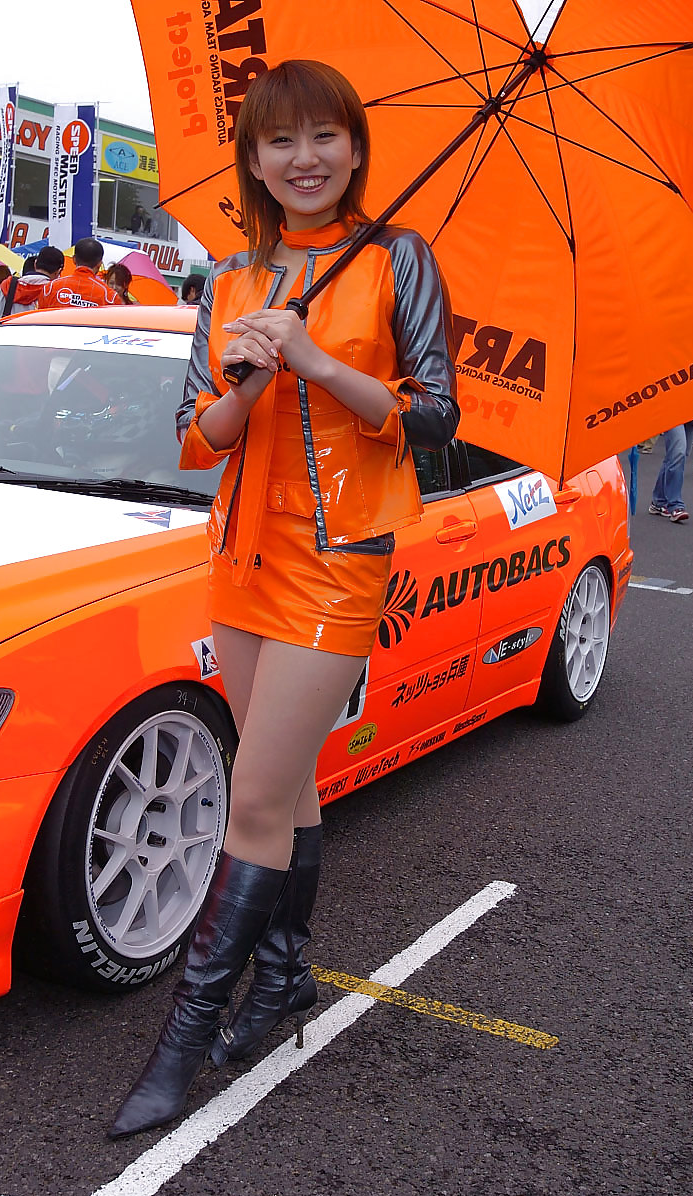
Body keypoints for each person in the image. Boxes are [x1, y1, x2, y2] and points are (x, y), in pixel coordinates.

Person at [108, 58, 459, 1140]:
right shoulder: (228, 274)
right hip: (240, 554)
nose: (302, 159)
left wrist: (316, 358)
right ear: (253, 161)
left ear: (354, 148)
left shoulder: (397, 259)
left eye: (323, 137)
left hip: (340, 557)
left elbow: (438, 415)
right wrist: (251, 375)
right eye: (278, 141)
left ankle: (183, 1042)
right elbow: (195, 437)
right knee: (287, 779)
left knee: (249, 794)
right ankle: (281, 979)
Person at [37, 238, 122, 310]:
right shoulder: (110, 297)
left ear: (74, 259)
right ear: (99, 264)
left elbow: (39, 320)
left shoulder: (50, 289)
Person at [0, 246, 65, 323]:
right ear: (58, 271)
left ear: (35, 264)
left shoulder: (7, 285)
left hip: (5, 335)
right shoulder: (54, 292)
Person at [649, 424, 690, 522]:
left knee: (677, 456)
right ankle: (675, 505)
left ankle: (658, 501)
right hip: (674, 413)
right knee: (678, 453)